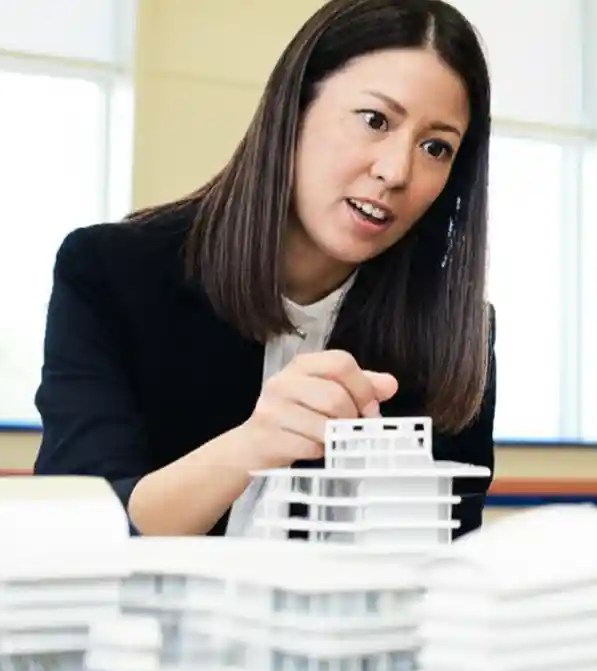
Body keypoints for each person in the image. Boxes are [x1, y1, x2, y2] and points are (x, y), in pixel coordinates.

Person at [33, 0, 497, 539]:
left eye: (436, 147)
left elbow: (448, 566)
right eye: (375, 121)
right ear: (294, 108)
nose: (396, 172)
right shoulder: (111, 273)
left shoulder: (454, 330)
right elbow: (79, 528)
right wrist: (252, 445)